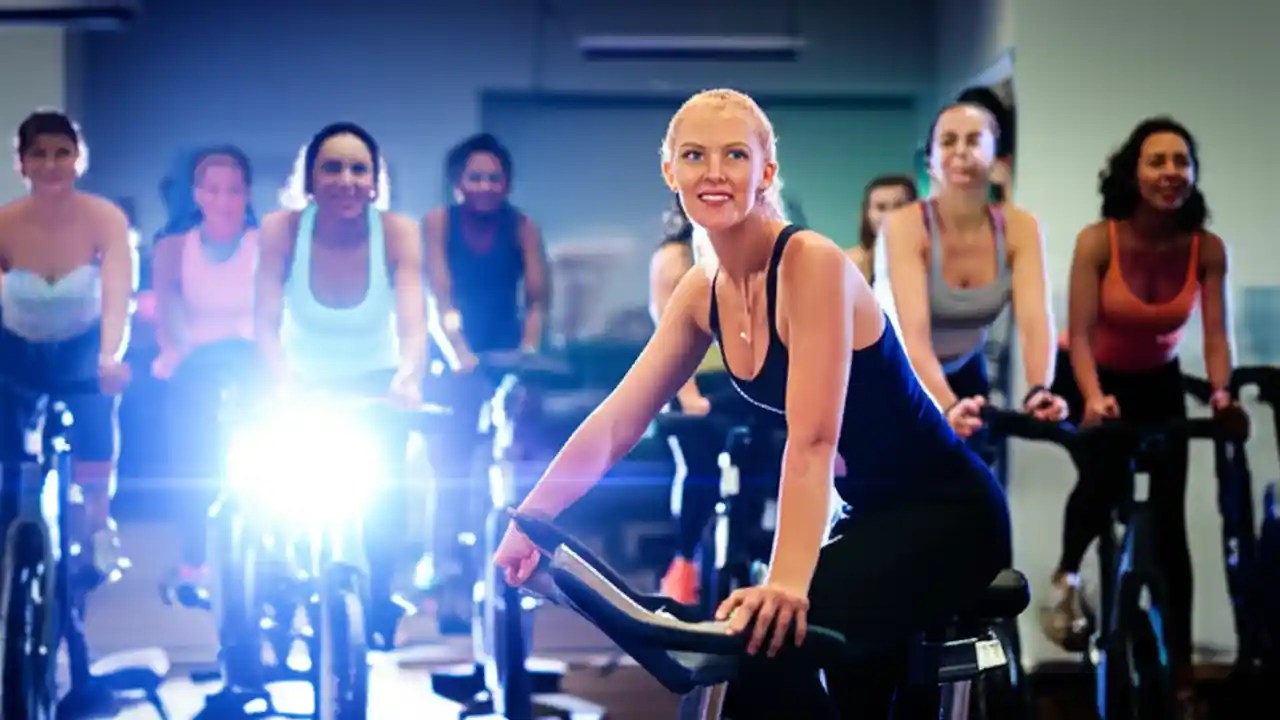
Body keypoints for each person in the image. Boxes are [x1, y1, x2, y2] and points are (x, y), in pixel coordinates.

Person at [493, 88, 1011, 716]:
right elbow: (616, 423)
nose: (714, 172)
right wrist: (530, 519)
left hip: (948, 514)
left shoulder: (811, 264)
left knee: (766, 654)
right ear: (670, 172)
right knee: (817, 674)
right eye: (694, 156)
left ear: (766, 172)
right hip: (869, 517)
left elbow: (813, 441)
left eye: (735, 155)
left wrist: (784, 583)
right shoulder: (701, 291)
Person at [1045, 117, 1238, 712]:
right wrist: (1092, 397)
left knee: (1171, 527)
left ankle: (1182, 676)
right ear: (1133, 173)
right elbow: (1079, 335)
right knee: (1100, 479)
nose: (1170, 172)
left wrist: (1223, 394)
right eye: (1158, 161)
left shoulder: (1206, 248)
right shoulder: (1098, 240)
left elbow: (1215, 337)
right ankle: (1067, 577)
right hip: (1088, 373)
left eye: (1182, 161)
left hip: (1157, 381)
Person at [254, 121, 427, 648]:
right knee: (273, 486)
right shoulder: (282, 230)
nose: (346, 180)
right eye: (332, 168)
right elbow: (264, 322)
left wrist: (408, 379)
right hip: (302, 384)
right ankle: (282, 577)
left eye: (359, 169)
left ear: (375, 182)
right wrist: (280, 381)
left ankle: (379, 594)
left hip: (376, 386)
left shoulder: (397, 232)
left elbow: (413, 324)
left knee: (384, 496)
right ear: (309, 180)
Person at [879, 102, 1066, 459]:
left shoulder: (1021, 227)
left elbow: (1034, 322)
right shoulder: (905, 225)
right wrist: (948, 405)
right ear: (931, 160)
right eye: (948, 141)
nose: (961, 152)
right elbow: (913, 339)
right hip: (895, 370)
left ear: (999, 160)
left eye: (974, 140)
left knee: (973, 476)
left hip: (965, 365)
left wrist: (1038, 388)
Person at [418, 132, 550, 624]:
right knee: (449, 471)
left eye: (494, 177)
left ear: (506, 183)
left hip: (504, 356)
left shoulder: (522, 227)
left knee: (509, 463)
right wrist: (458, 353)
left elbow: (536, 300)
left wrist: (528, 354)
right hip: (453, 358)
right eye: (475, 177)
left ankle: (512, 567)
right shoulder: (438, 223)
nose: (485, 185)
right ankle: (443, 570)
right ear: (458, 182)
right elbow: (439, 298)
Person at [0, 109, 133, 583]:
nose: (51, 164)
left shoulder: (105, 219)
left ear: (79, 159)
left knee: (97, 415)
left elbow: (117, 294)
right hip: (17, 348)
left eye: (62, 153)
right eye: (39, 154)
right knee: (9, 455)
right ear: (22, 163)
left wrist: (110, 356)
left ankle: (98, 524)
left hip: (82, 346)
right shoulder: (5, 223)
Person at [150, 145, 260, 606]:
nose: (223, 200)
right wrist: (179, 351)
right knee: (192, 455)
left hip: (253, 359)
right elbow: (169, 313)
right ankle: (194, 558)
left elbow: (275, 310)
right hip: (195, 363)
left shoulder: (266, 245)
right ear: (197, 194)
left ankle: (274, 542)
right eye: (213, 190)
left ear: (247, 193)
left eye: (233, 190)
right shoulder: (173, 247)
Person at [845, 175, 916, 285]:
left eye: (900, 206)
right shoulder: (849, 264)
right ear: (866, 214)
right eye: (881, 208)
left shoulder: (935, 263)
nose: (890, 216)